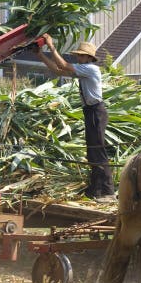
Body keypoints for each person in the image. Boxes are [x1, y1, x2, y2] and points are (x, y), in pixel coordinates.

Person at [37, 34, 115, 203]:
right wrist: (40, 55)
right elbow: (58, 70)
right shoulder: (83, 70)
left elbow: (63, 64)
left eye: (80, 55)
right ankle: (96, 189)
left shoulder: (90, 68)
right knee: (92, 151)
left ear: (88, 57)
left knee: (98, 151)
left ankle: (107, 191)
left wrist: (51, 47)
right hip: (90, 112)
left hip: (96, 112)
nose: (78, 57)